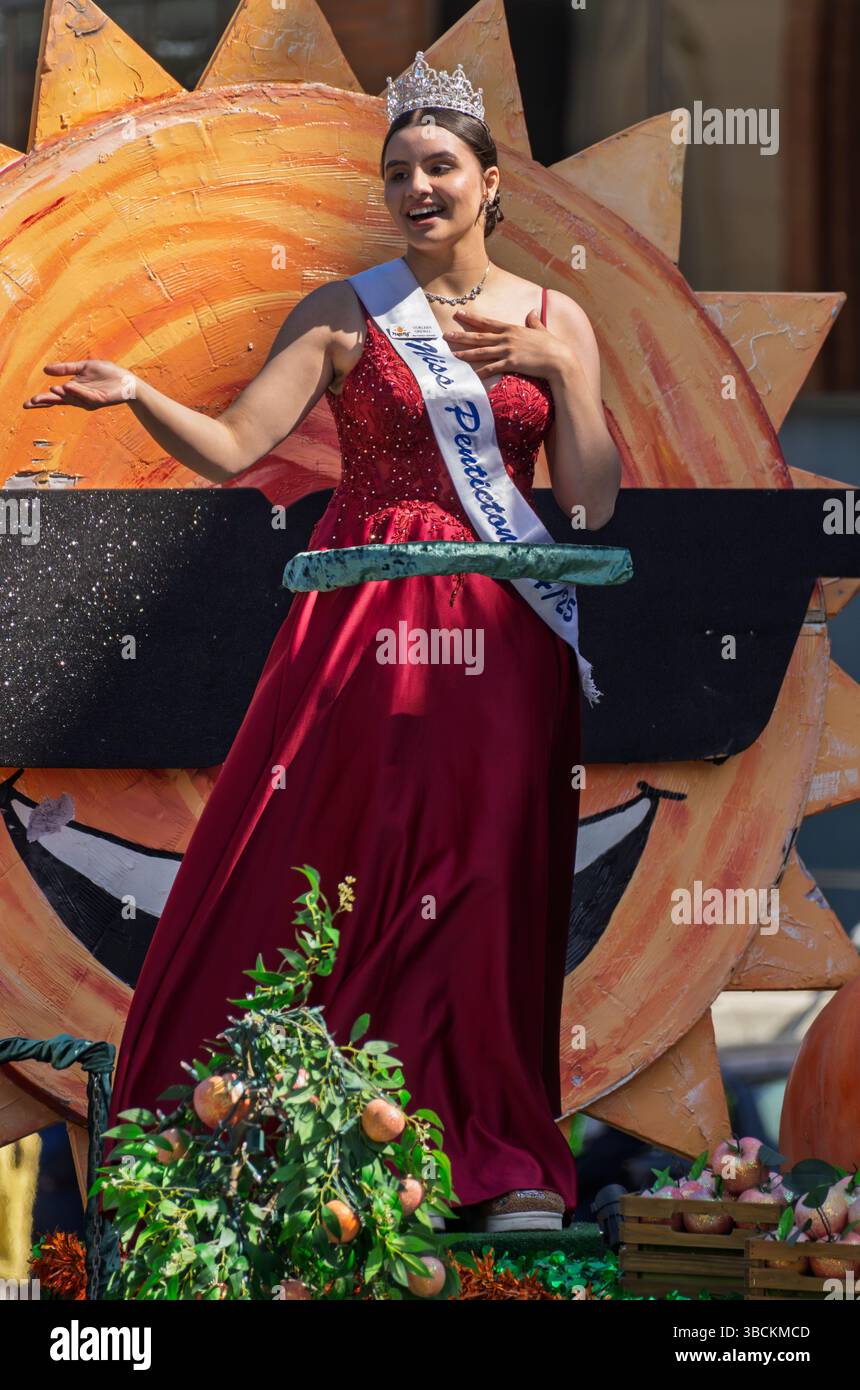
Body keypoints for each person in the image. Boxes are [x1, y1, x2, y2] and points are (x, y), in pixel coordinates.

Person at [22, 51, 620, 1232]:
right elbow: (234, 445)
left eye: (438, 166)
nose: (416, 187)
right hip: (365, 624)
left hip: (503, 632)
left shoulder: (558, 321)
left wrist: (565, 377)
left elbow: (591, 503)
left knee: (484, 877)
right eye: (397, 171)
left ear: (489, 183)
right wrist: (138, 393)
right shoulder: (349, 310)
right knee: (341, 865)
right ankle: (328, 1144)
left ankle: (492, 1154)